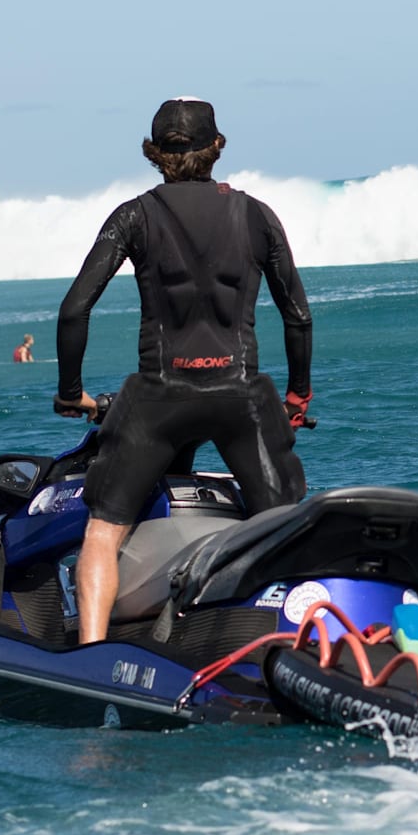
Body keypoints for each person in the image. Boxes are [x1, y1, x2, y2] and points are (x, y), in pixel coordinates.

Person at [52, 97, 314, 644]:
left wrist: (72, 393)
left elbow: (75, 309)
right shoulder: (256, 214)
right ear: (217, 147)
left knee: (102, 532)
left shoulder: (133, 214)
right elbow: (298, 316)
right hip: (242, 396)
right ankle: (300, 642)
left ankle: (91, 654)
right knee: (286, 530)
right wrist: (297, 399)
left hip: (158, 399)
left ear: (154, 154)